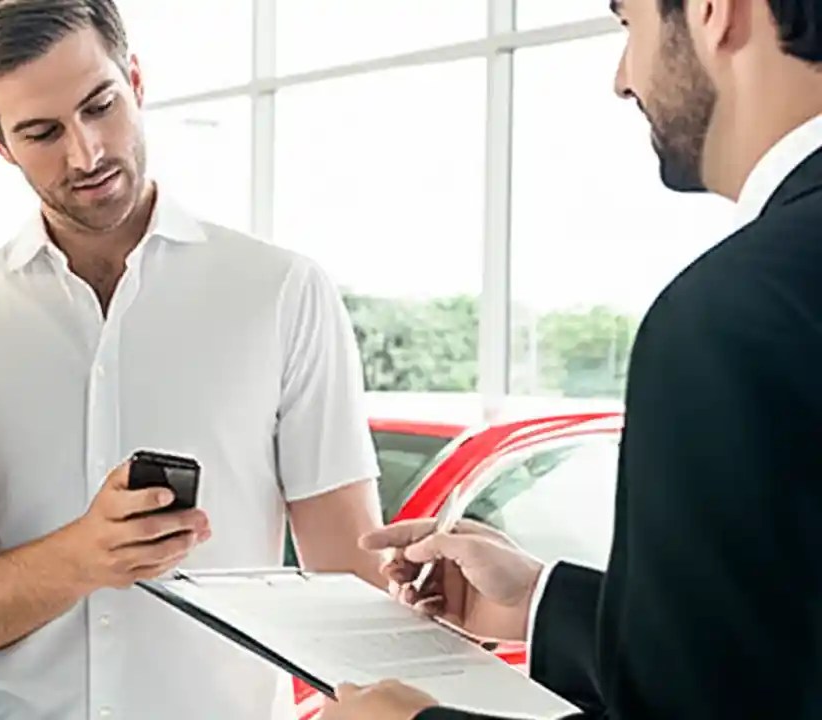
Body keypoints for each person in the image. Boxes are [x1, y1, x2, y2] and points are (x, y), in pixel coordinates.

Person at [0, 0, 386, 717]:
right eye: (41, 132)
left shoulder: (280, 294)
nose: (85, 154)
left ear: (136, 80)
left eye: (100, 106)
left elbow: (352, 584)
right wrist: (79, 558)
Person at [323, 0, 822, 718]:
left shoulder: (733, 315)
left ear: (714, 11)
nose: (623, 79)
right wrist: (540, 600)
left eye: (630, 24)